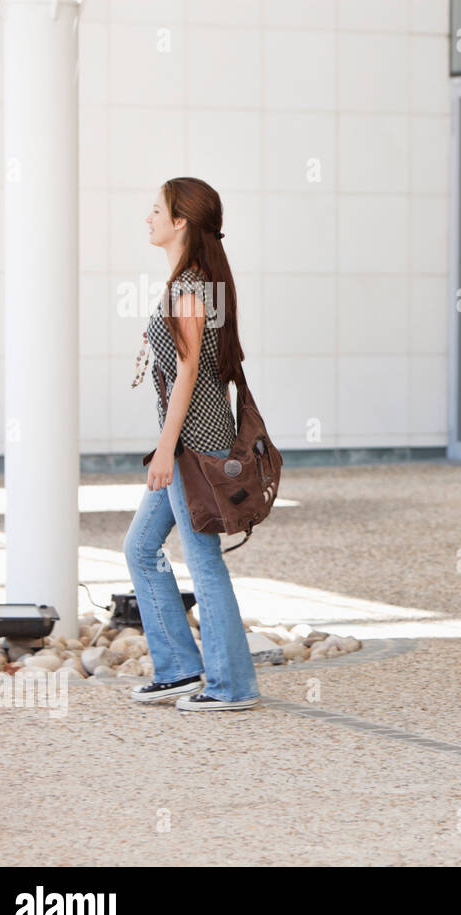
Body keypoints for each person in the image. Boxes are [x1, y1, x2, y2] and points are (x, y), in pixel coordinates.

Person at [123, 177, 260, 712]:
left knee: (203, 562)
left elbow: (185, 375)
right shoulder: (196, 281)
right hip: (191, 444)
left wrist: (164, 448)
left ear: (181, 221)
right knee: (140, 548)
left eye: (156, 209)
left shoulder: (189, 288)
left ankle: (231, 685)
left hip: (191, 449)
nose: (148, 217)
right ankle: (180, 669)